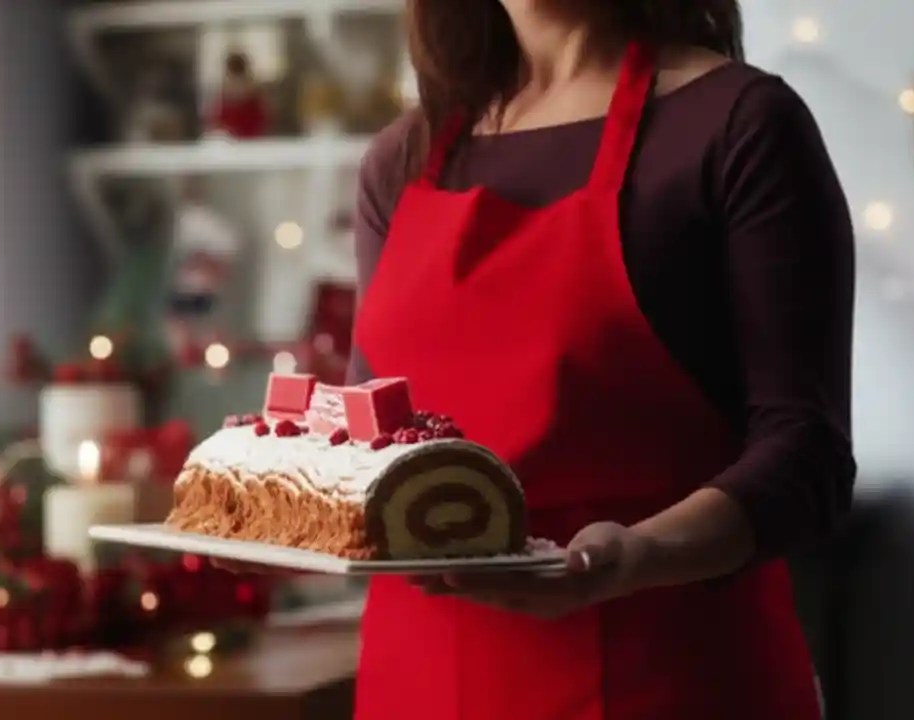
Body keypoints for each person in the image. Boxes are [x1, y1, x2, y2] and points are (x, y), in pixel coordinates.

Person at [345, 1, 855, 718]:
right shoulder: (402, 158)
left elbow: (809, 458)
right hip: (421, 683)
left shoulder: (739, 124)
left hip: (666, 678)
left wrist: (633, 559)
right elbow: (365, 441)